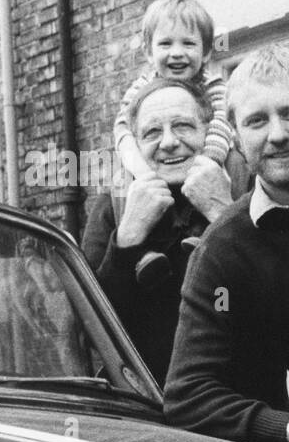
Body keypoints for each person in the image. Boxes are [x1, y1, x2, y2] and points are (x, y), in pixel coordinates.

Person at [164, 45, 289, 442]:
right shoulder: (222, 248)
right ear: (236, 138)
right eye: (257, 121)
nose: (278, 134)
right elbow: (188, 394)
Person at [82, 79, 232, 382]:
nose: (168, 142)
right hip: (144, 406)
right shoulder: (114, 204)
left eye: (183, 126)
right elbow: (89, 329)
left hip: (238, 408)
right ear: (135, 144)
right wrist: (126, 239)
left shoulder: (241, 188)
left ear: (208, 132)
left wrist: (223, 214)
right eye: (152, 132)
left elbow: (279, 315)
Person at [113, 0, 235, 286]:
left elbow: (221, 125)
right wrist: (144, 173)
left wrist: (206, 162)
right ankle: (141, 253)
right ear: (148, 52)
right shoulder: (141, 87)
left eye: (189, 44)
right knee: (120, 179)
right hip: (146, 174)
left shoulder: (215, 86)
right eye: (166, 44)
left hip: (207, 161)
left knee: (230, 168)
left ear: (206, 52)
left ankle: (205, 238)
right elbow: (122, 128)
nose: (177, 53)